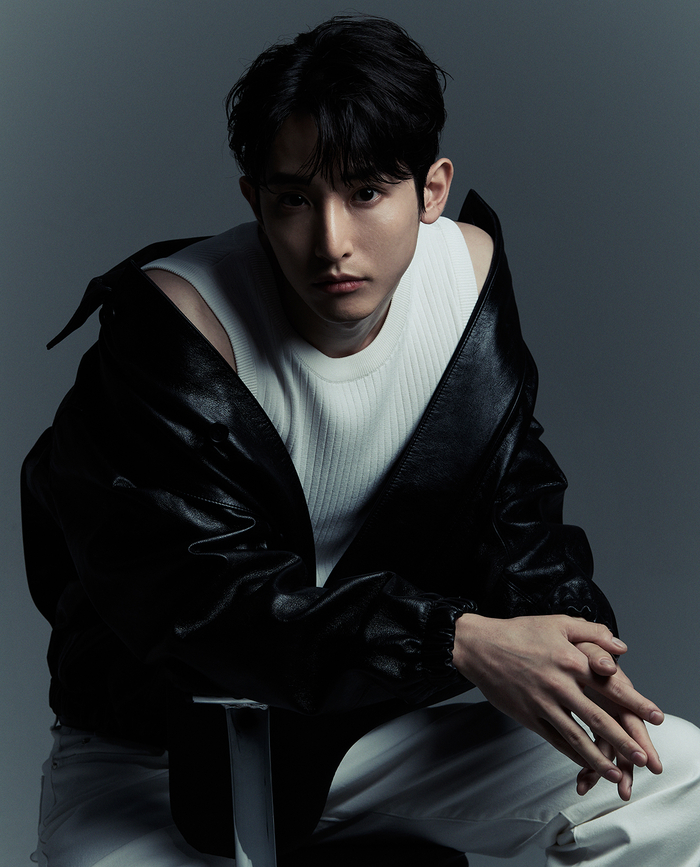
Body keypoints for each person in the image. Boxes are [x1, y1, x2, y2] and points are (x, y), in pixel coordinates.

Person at [21, 14, 700, 867]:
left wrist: (580, 655)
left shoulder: (463, 286)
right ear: (254, 200)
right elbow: (206, 606)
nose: (331, 242)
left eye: (367, 192)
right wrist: (453, 637)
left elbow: (515, 510)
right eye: (294, 199)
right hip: (151, 755)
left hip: (357, 739)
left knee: (676, 779)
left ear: (432, 189)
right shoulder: (172, 336)